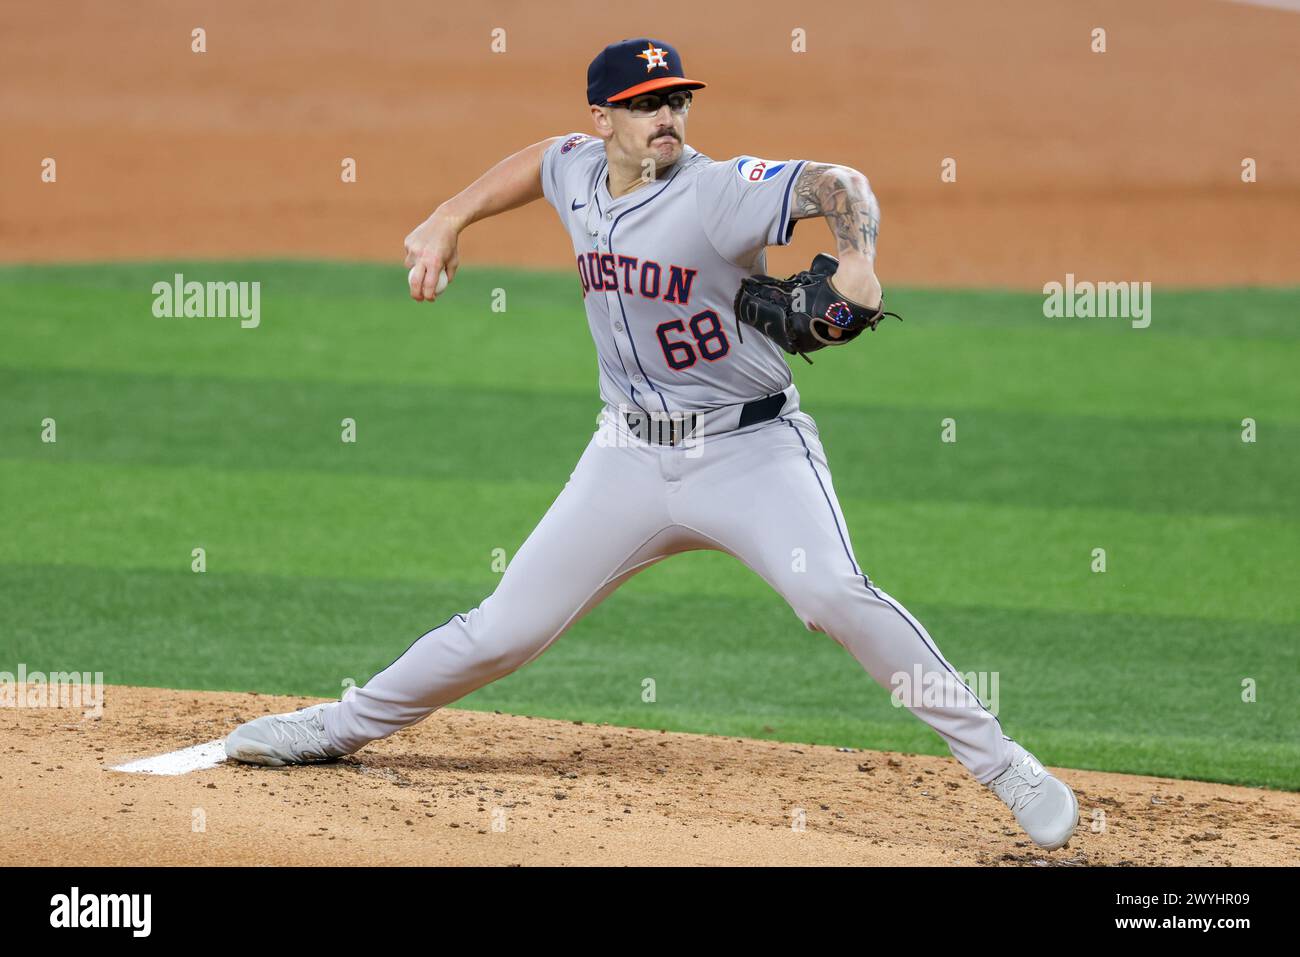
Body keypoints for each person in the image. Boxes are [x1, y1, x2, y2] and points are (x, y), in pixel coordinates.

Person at [225, 37, 1078, 851]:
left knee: (832, 595)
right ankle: (337, 725)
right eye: (642, 105)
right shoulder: (578, 171)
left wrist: (857, 259)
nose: (665, 116)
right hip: (626, 458)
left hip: (752, 453)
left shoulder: (717, 192)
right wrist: (452, 215)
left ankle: (1006, 765)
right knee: (502, 631)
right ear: (604, 119)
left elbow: (838, 180)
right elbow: (540, 160)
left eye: (674, 100)